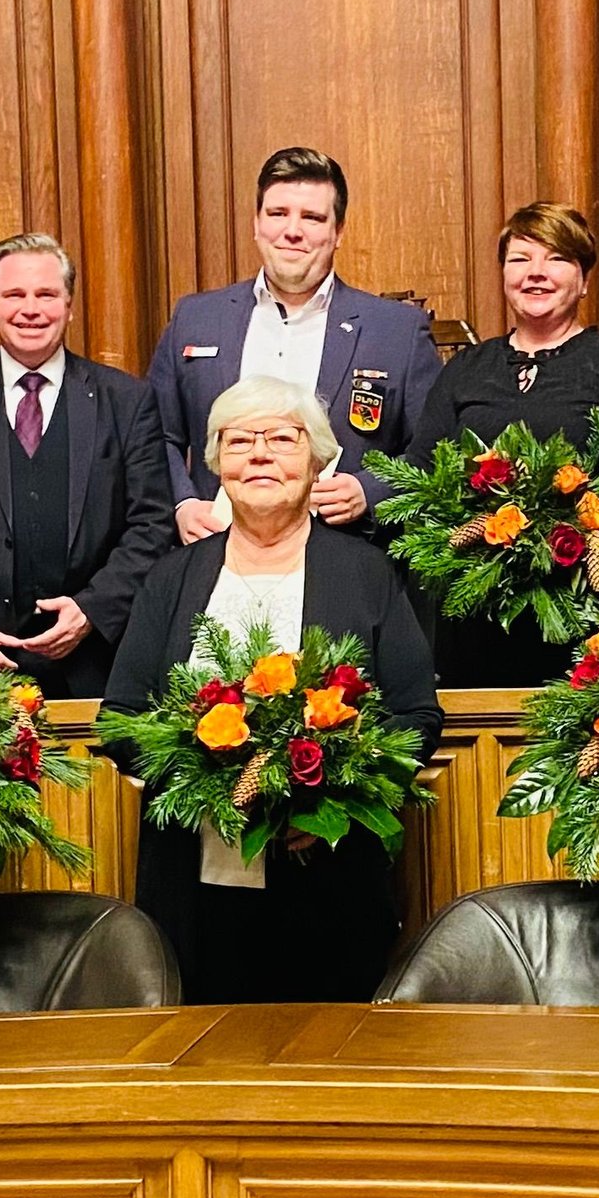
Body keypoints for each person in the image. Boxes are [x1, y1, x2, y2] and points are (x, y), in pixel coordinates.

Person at [101, 376, 442, 1004]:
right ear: (217, 466)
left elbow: (416, 716)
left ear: (316, 461)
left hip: (334, 883)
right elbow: (121, 716)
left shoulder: (365, 572)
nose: (260, 454)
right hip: (195, 889)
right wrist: (207, 783)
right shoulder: (173, 577)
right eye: (239, 441)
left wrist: (326, 796)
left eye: (281, 439)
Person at [406, 201, 599, 685]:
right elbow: (424, 475)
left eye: (556, 259)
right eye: (520, 259)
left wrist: (564, 538)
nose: (536, 273)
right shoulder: (466, 371)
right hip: (473, 619)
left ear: (584, 280)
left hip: (584, 609)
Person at [0, 235, 175, 697]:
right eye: (14, 295)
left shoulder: (126, 400)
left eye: (46, 295)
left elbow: (152, 524)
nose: (30, 309)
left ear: (69, 305)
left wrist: (92, 610)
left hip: (97, 666)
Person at [147, 146, 442, 544]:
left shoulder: (397, 331)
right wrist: (181, 503)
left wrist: (369, 492)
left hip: (345, 559)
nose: (293, 231)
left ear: (338, 232)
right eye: (278, 213)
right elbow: (153, 437)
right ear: (256, 223)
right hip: (216, 552)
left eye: (313, 218)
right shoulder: (196, 318)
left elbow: (435, 450)